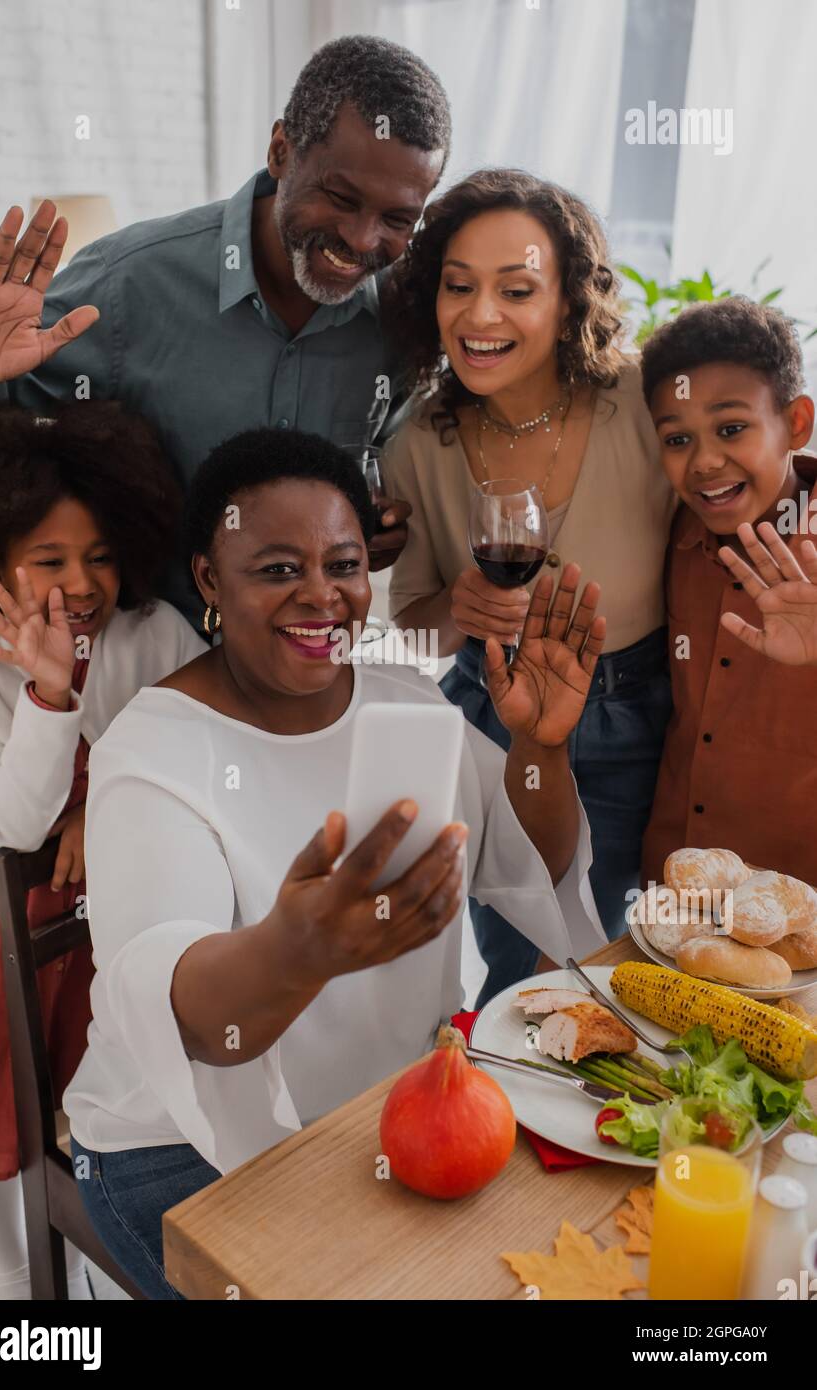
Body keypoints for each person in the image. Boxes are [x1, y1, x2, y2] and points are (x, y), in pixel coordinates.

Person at [64, 426, 607, 1299]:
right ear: (209, 579)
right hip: (174, 1147)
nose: (321, 597)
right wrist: (296, 951)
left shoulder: (404, 703)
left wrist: (540, 746)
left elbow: (530, 870)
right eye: (278, 569)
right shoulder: (155, 751)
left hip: (379, 1108)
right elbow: (182, 1014)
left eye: (343, 566)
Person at [0, 36, 453, 622]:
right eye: (341, 197)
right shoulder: (128, 284)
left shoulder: (399, 321)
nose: (364, 240)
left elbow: (390, 457)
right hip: (141, 678)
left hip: (307, 672)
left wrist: (373, 527)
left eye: (397, 219)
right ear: (281, 150)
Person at [381, 169, 677, 1005]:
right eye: (457, 286)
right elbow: (407, 630)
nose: (480, 317)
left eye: (516, 289)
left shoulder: (643, 400)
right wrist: (454, 611)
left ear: (567, 299)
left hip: (635, 717)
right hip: (492, 718)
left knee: (623, 968)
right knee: (519, 976)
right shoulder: (415, 442)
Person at [0, 403, 205, 1300]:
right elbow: (15, 827)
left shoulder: (156, 634)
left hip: (123, 914)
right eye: (49, 560)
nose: (83, 582)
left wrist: (111, 808)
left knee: (114, 1090)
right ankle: (18, 1276)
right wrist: (50, 695)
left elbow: (203, 747)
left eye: (99, 554)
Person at [639, 297, 817, 887]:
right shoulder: (673, 537)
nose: (706, 462)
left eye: (732, 429)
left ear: (796, 423)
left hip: (798, 909)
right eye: (677, 439)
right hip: (674, 891)